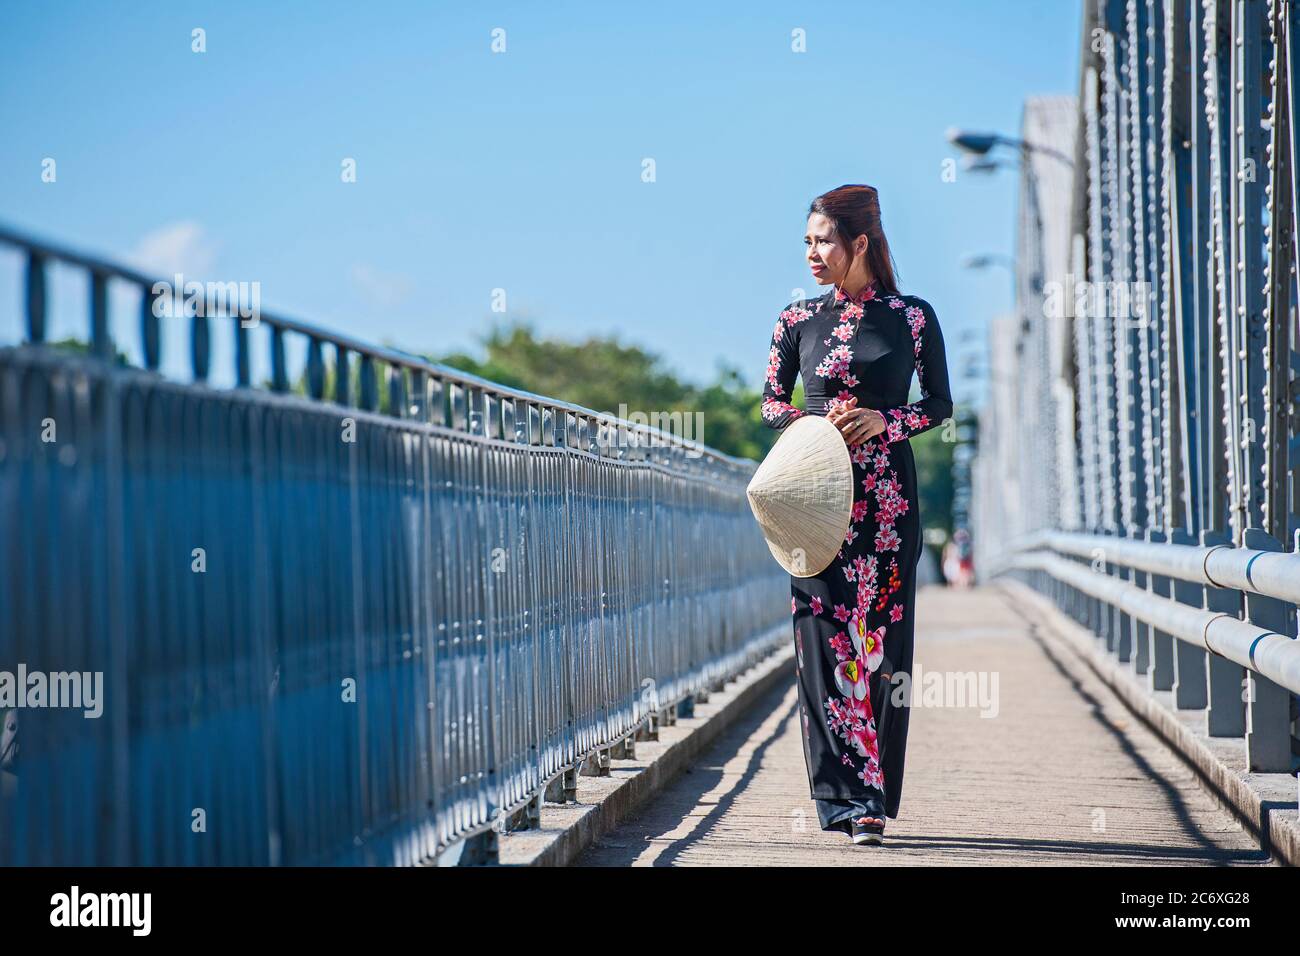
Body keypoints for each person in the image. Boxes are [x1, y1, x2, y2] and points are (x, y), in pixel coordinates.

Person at [760, 184, 953, 845]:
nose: (813, 253)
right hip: (814, 507)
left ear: (860, 242)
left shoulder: (913, 318)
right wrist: (815, 423)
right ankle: (840, 800)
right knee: (822, 649)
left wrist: (885, 420)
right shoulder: (795, 322)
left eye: (825, 241)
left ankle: (872, 796)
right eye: (807, 242)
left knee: (880, 653)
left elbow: (939, 406)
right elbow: (768, 403)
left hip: (888, 508)